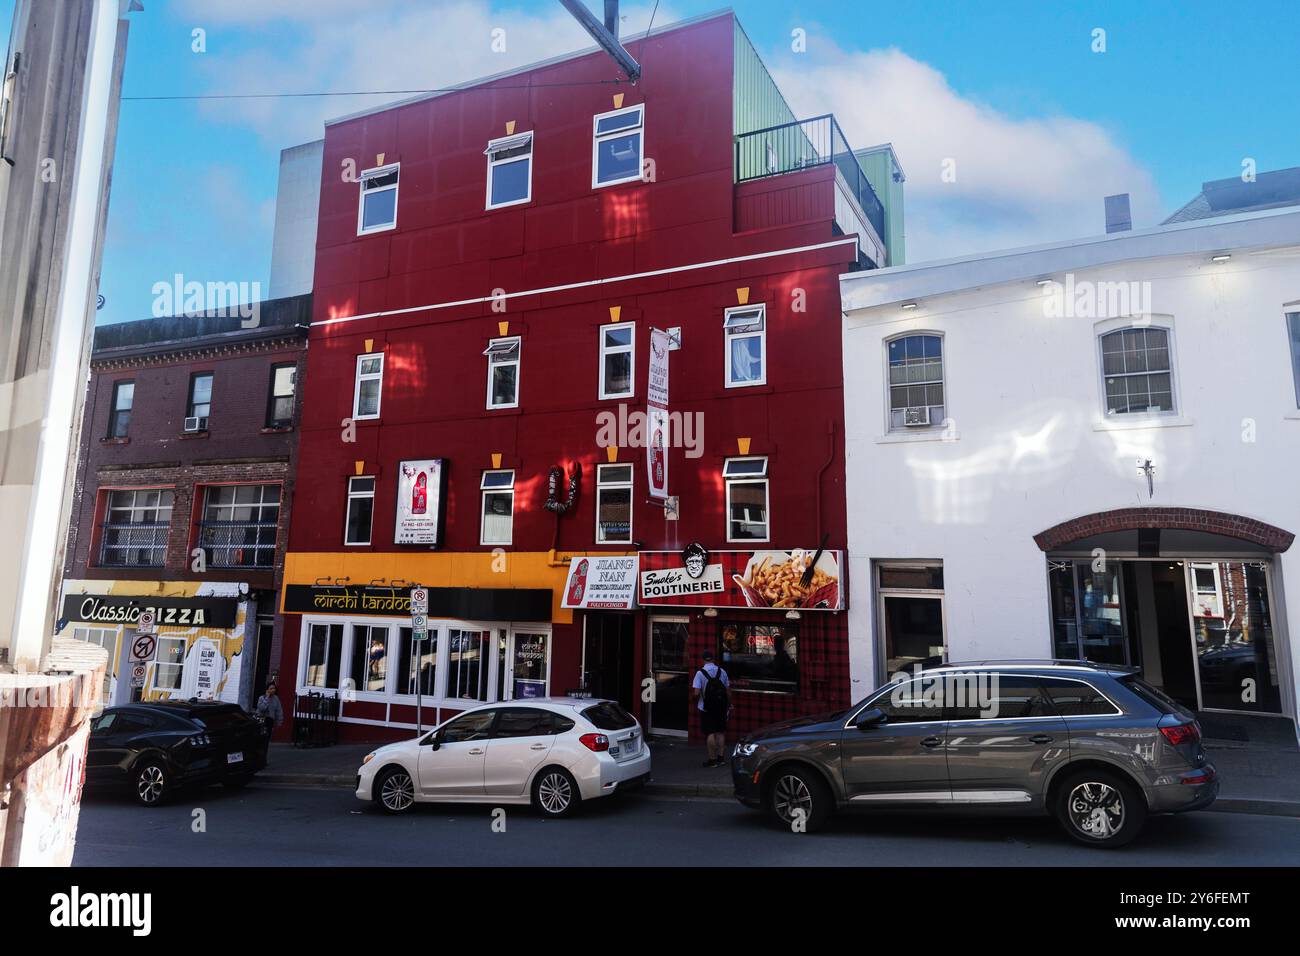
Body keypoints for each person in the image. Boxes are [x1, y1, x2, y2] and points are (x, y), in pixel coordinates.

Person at [691, 652, 730, 767]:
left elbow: (696, 692)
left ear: (703, 660)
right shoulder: (722, 672)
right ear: (713, 659)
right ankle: (721, 758)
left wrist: (694, 700)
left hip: (706, 707)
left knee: (710, 733)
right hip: (721, 706)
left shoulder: (700, 673)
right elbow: (728, 690)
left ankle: (712, 760)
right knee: (720, 731)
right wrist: (729, 704)